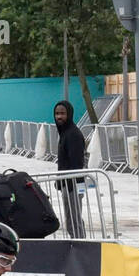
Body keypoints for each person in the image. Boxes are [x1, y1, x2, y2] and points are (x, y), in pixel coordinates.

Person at [53, 100, 86, 237]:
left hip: (73, 184)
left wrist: (70, 184)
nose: (59, 117)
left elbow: (76, 163)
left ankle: (80, 245)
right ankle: (76, 242)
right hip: (67, 183)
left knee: (74, 219)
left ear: (69, 114)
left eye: (62, 113)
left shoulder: (73, 135)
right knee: (71, 219)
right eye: (56, 113)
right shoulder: (65, 133)